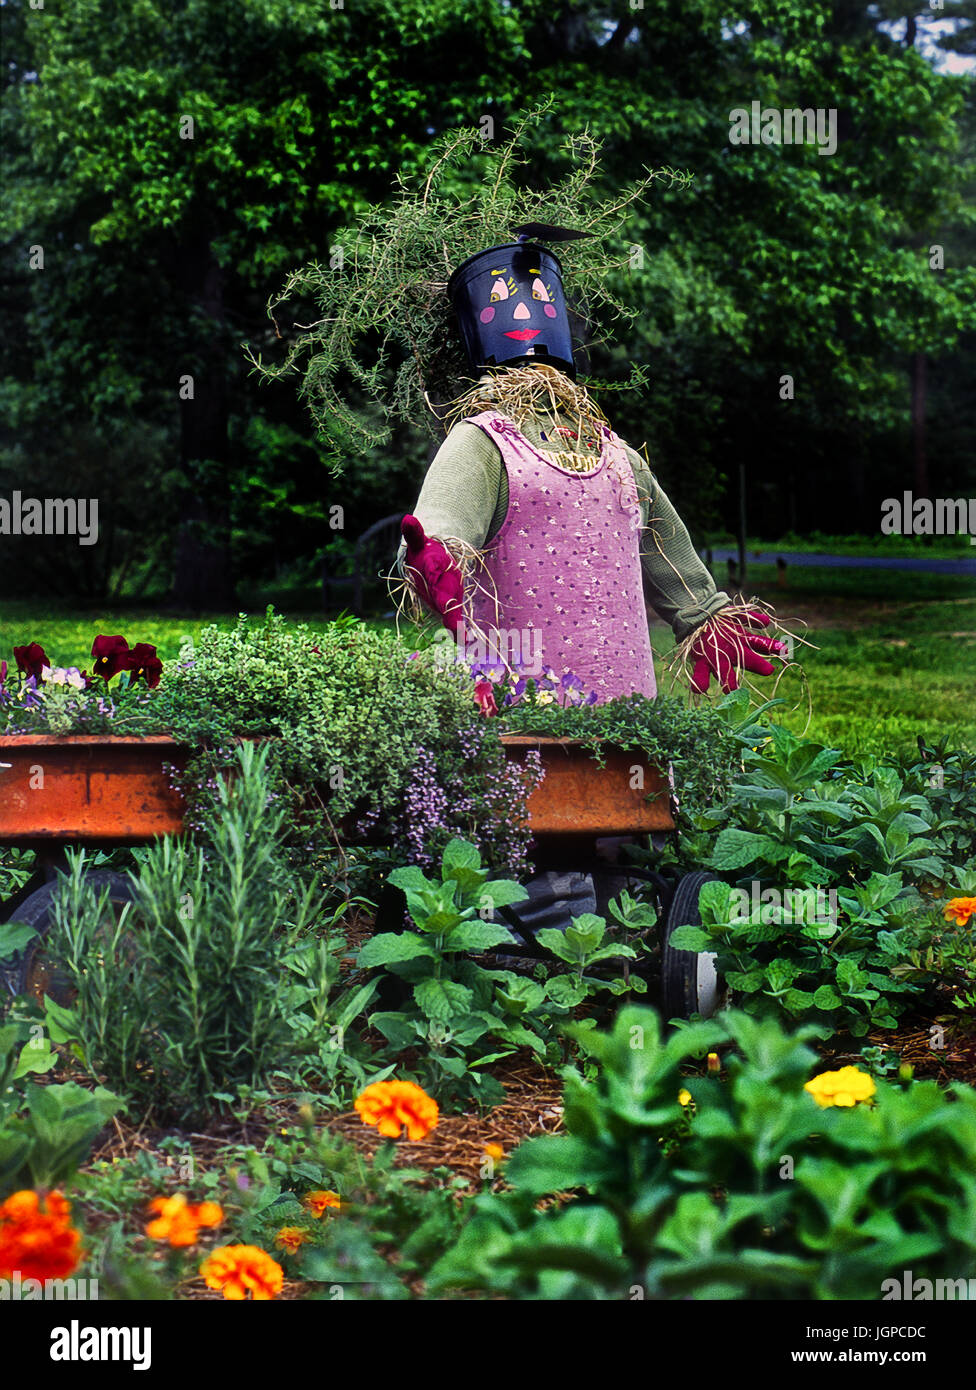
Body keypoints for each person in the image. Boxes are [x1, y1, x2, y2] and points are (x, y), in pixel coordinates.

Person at [399, 227, 783, 936]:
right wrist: (440, 566)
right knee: (527, 824)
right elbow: (438, 533)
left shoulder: (614, 454)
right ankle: (528, 925)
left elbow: (667, 550)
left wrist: (705, 616)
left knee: (613, 832)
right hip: (516, 702)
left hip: (623, 706)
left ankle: (610, 918)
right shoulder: (482, 442)